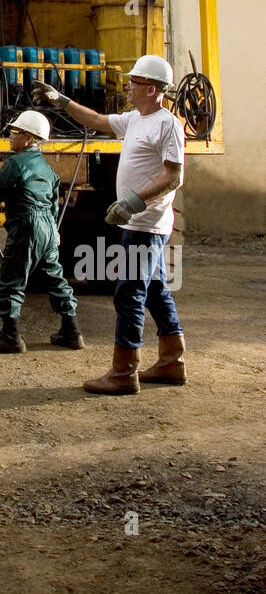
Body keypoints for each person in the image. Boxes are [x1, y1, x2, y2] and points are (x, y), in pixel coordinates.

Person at [33, 54, 185, 395]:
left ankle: (123, 373)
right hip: (140, 222)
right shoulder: (135, 120)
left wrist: (133, 202)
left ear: (150, 89)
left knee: (129, 293)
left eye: (134, 82)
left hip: (146, 223)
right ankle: (172, 362)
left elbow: (174, 176)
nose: (128, 86)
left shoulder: (167, 124)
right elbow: (99, 120)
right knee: (156, 290)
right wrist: (62, 100)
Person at [0, 110, 83, 353]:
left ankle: (10, 336)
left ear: (28, 138)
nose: (9, 136)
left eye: (14, 132)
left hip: (27, 225)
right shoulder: (46, 168)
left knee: (12, 279)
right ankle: (72, 332)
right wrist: (54, 231)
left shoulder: (16, 163)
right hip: (47, 225)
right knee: (55, 277)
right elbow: (53, 200)